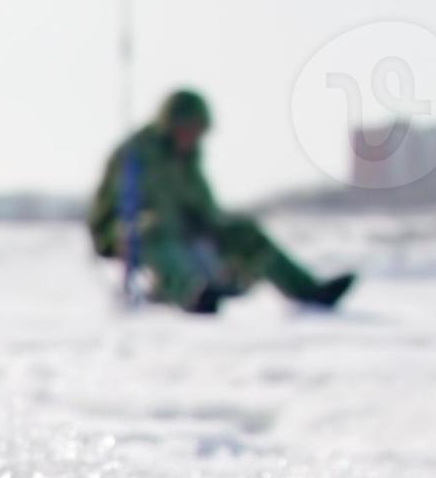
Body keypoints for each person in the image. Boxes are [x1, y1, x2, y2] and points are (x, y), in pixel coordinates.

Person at [91, 89, 355, 314]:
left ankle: (308, 290)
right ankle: (192, 294)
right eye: (188, 129)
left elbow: (204, 205)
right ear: (171, 124)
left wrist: (210, 224)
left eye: (197, 131)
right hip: (134, 234)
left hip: (181, 233)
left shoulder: (189, 159)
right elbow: (108, 211)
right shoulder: (135, 154)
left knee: (243, 231)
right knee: (152, 228)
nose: (193, 137)